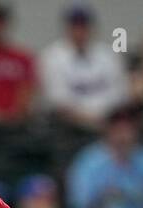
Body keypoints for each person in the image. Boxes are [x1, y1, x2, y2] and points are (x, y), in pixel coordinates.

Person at [38, 4, 129, 132]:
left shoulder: (108, 54)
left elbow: (121, 94)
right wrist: (90, 120)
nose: (80, 30)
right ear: (67, 27)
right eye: (75, 25)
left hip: (109, 125)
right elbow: (58, 101)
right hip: (68, 128)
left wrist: (105, 119)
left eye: (84, 25)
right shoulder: (52, 56)